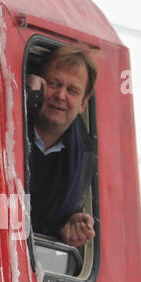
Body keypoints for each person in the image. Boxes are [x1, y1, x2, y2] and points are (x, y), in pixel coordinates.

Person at [25, 45, 97, 247]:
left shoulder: (85, 156)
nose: (61, 96)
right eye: (55, 84)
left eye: (73, 90)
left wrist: (66, 229)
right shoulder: (8, 128)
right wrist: (24, 95)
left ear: (84, 103)